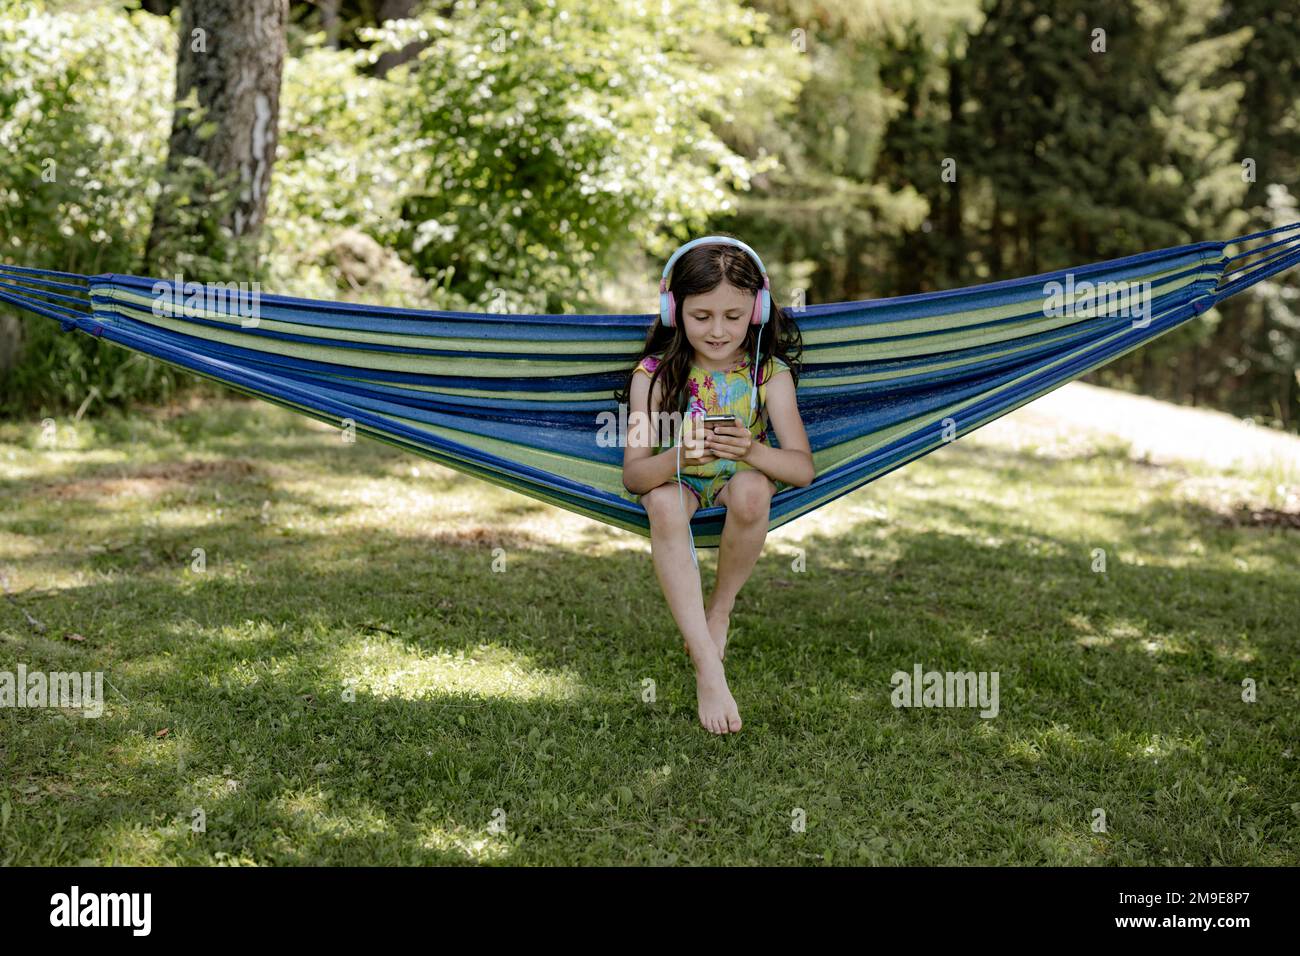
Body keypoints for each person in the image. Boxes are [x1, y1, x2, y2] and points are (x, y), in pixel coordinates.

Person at [617, 235, 814, 735]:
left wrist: (749, 450)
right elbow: (636, 475)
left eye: (733, 315)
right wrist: (679, 456)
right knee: (662, 505)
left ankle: (720, 610)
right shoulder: (655, 376)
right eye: (701, 316)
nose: (719, 330)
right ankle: (708, 663)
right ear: (673, 310)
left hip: (739, 476)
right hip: (675, 477)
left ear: (758, 308)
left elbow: (800, 469)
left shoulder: (768, 375)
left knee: (751, 492)